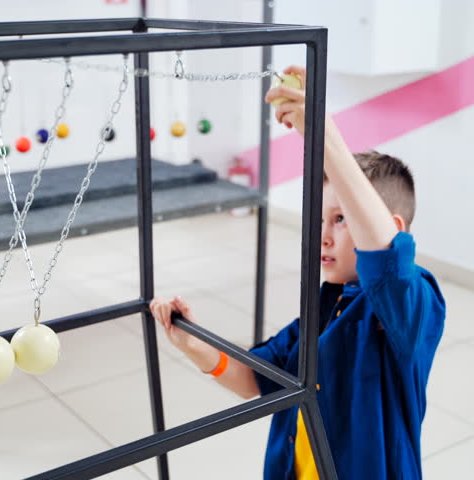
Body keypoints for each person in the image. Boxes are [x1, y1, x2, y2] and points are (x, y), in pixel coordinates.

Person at [150, 65, 446, 478]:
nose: (323, 236)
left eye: (341, 219)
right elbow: (259, 379)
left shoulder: (414, 307)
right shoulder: (323, 311)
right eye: (321, 220)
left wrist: (326, 139)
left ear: (391, 226)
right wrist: (195, 346)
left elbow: (388, 262)